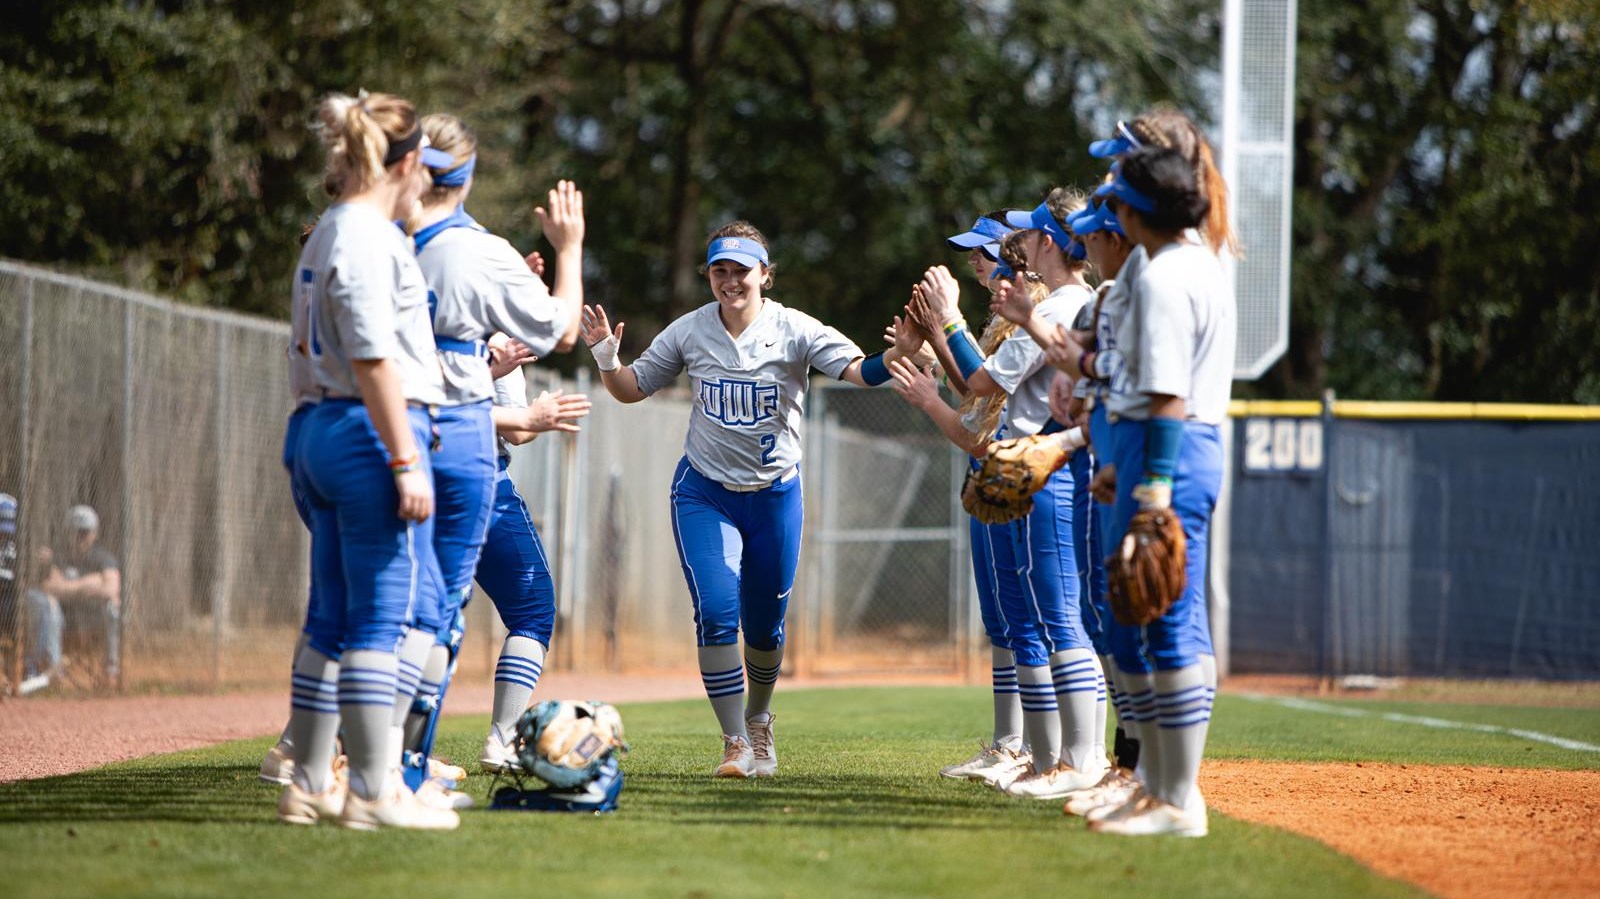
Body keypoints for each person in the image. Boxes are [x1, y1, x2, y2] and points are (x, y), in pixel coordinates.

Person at [579, 220, 915, 778]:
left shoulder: (795, 328)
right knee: (716, 612)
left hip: (775, 496)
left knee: (764, 627)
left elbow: (861, 372)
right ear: (708, 274)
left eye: (742, 270)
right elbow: (631, 389)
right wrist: (606, 359)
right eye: (720, 270)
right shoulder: (690, 330)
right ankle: (735, 741)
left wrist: (899, 352)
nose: (730, 280)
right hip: (705, 492)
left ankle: (759, 720)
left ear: (765, 274)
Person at [280, 89, 459, 830]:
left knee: (329, 617)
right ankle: (373, 790)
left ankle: (309, 781)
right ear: (407, 164)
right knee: (380, 619)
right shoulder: (366, 233)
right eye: (427, 165)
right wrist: (405, 459)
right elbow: (373, 355)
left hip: (320, 425)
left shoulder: (330, 227)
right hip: (366, 431)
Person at [1048, 146, 1236, 837]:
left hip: (1170, 449)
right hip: (1161, 447)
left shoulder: (1163, 277)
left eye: (1118, 199)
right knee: (1140, 619)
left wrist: (1151, 487)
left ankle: (1177, 799)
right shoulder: (1190, 264)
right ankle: (1155, 786)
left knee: (1164, 621)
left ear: (1134, 211)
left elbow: (1166, 396)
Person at [408, 112, 587, 780]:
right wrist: (568, 249)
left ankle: (313, 751)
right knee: (440, 616)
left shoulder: (376, 239)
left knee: (373, 608)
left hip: (372, 441)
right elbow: (560, 331)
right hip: (457, 459)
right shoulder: (471, 248)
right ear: (465, 175)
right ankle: (402, 761)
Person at [917, 190, 1107, 801]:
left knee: (1057, 619)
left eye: (1028, 235)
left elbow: (977, 383)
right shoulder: (1070, 304)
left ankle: (1076, 759)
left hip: (1046, 464)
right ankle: (1052, 758)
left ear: (1047, 243)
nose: (1014, 246)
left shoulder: (1062, 305)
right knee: (1044, 618)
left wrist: (948, 321)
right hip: (1040, 463)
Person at [23, 505, 121, 689]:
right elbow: (49, 587)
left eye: (85, 532)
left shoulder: (103, 558)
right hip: (65, 616)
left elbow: (111, 589)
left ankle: (111, 671)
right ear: (68, 532)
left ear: (94, 534)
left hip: (94, 616)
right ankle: (55, 673)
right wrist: (90, 582)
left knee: (113, 608)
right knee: (50, 607)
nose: (80, 537)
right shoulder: (59, 556)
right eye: (77, 531)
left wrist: (68, 585)